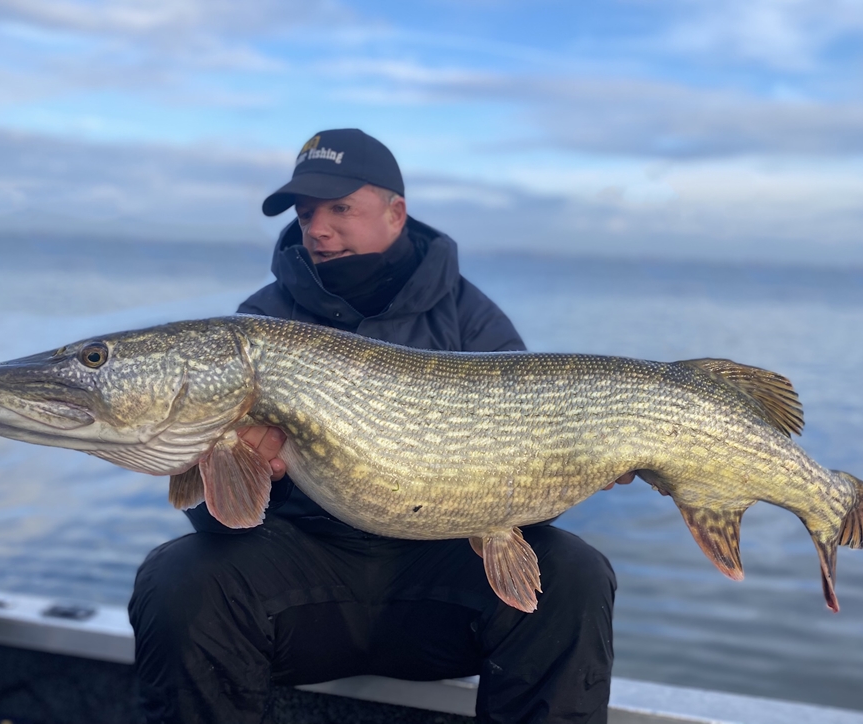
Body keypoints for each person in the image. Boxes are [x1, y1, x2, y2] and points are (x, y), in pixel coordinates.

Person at [129, 129, 620, 723]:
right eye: (307, 214)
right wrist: (247, 472)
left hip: (439, 585)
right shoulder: (259, 324)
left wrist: (581, 461)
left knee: (575, 573)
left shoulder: (471, 319)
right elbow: (216, 522)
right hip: (306, 580)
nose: (318, 229)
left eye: (340, 209)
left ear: (396, 213)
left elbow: (528, 497)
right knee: (178, 577)